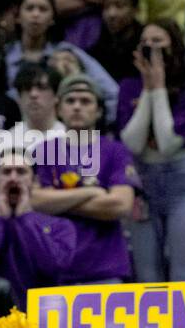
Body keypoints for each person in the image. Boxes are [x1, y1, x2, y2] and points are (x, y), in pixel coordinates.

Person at [116, 19, 185, 282]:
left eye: (158, 42)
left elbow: (169, 143)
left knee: (184, 271)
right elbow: (133, 143)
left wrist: (158, 87)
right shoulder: (128, 87)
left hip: (183, 183)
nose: (151, 48)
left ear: (175, 47)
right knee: (148, 275)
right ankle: (150, 325)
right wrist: (149, 88)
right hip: (143, 182)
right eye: (145, 43)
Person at [30, 74, 138, 285]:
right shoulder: (42, 151)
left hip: (105, 269)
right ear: (59, 109)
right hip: (55, 269)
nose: (77, 107)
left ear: (98, 110)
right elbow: (33, 201)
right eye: (70, 101)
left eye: (85, 101)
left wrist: (57, 201)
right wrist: (92, 192)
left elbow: (120, 205)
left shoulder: (116, 151)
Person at [0, 152, 77, 302]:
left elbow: (52, 268)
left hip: (41, 314)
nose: (13, 178)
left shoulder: (60, 226)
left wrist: (25, 218)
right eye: (6, 172)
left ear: (34, 182)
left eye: (21, 171)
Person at [4, 0, 119, 123]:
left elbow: (112, 93)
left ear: (52, 18)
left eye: (43, 9)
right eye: (30, 8)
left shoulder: (69, 53)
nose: (35, 14)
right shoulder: (3, 55)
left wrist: (103, 126)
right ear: (18, 17)